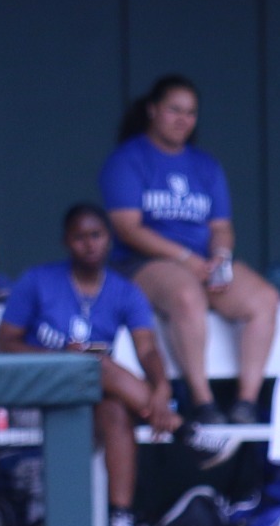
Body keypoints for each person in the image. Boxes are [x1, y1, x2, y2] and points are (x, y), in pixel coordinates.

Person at [0, 204, 181, 526]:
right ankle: (180, 426)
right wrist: (60, 359)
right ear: (67, 241)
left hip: (90, 402)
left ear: (108, 239)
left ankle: (120, 518)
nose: (90, 244)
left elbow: (147, 349)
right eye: (80, 237)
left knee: (113, 408)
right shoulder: (38, 280)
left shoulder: (124, 290)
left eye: (96, 235)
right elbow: (5, 342)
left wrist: (162, 386)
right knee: (96, 363)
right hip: (39, 395)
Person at [100, 74, 278, 426]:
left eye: (191, 113)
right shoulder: (129, 158)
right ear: (153, 110)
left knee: (265, 298)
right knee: (186, 293)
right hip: (144, 262)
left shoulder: (204, 165)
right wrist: (185, 259)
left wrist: (221, 260)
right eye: (174, 110)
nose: (183, 119)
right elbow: (127, 227)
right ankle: (202, 400)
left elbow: (221, 226)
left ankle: (246, 402)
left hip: (201, 261)